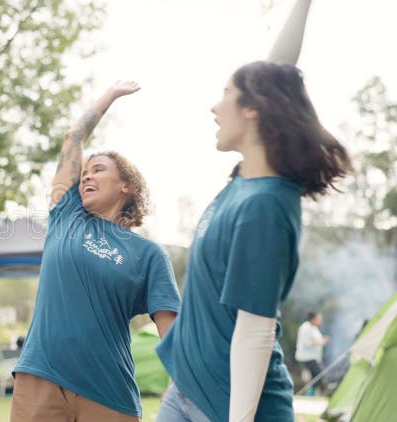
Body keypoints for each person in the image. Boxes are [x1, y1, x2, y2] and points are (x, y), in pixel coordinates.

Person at [155, 1, 351, 421]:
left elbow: (256, 330)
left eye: (226, 94)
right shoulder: (244, 182)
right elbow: (274, 70)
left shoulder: (264, 205)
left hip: (230, 407)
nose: (213, 106)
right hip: (189, 390)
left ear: (253, 107)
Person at [10, 81, 181, 422]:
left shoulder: (148, 254)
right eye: (84, 172)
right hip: (41, 377)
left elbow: (170, 328)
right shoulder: (66, 214)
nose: (87, 176)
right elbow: (74, 137)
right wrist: (110, 96)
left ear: (126, 186)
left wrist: (181, 383)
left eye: (98, 170)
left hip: (108, 391)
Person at [295, 311, 330, 393]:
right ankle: (312, 392)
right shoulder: (305, 328)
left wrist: (322, 341)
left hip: (314, 357)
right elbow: (308, 343)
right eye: (319, 319)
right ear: (314, 319)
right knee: (319, 374)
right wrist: (322, 341)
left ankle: (311, 393)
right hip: (306, 357)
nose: (321, 320)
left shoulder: (314, 328)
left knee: (315, 376)